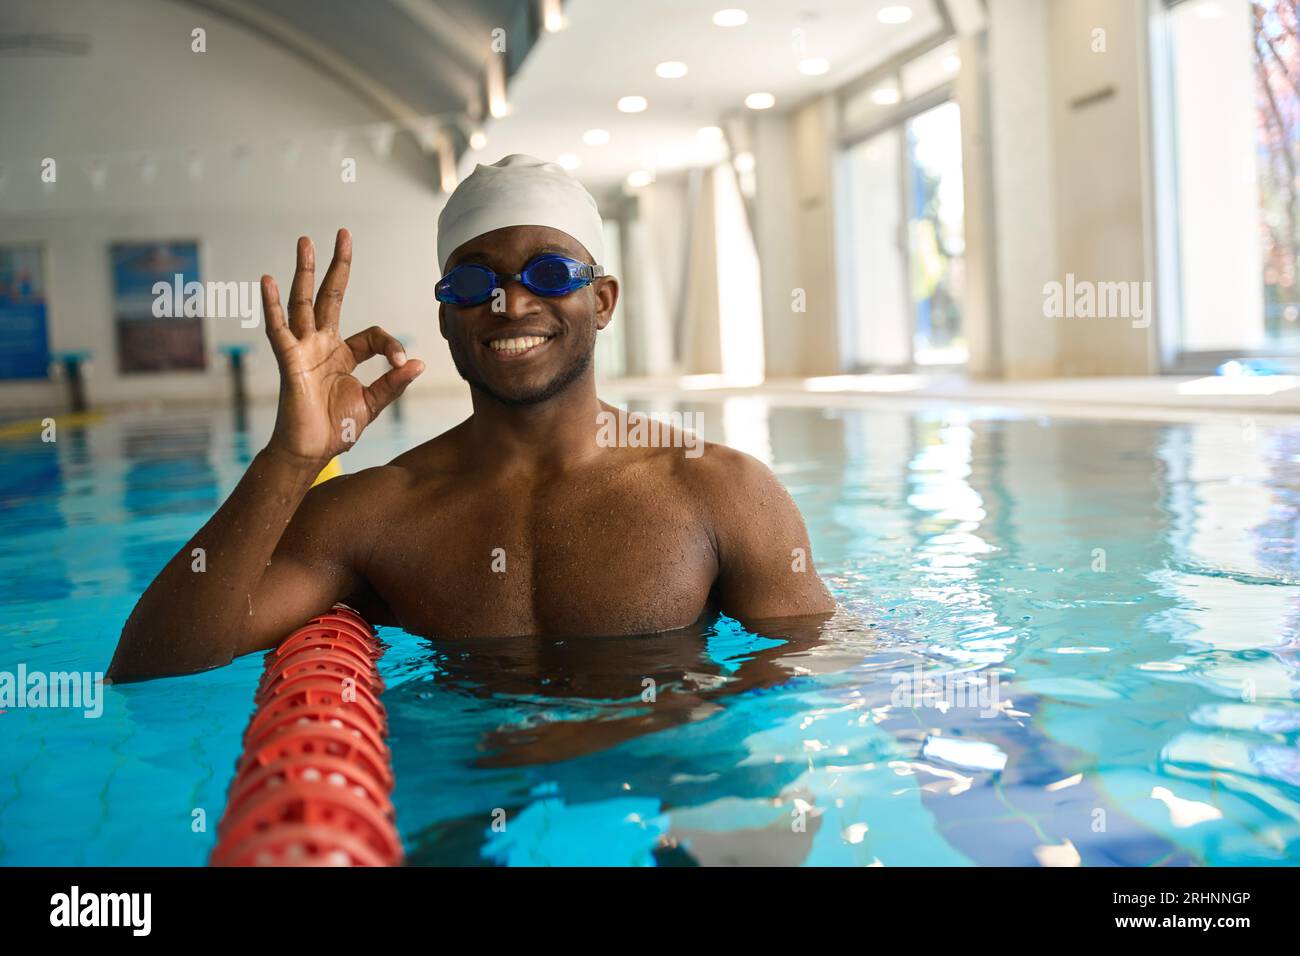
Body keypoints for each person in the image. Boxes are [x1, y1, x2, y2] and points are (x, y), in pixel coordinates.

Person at [107, 154, 834, 682]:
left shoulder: (723, 491)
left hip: (656, 798)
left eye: (550, 273)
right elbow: (159, 662)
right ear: (448, 316)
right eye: (474, 280)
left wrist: (619, 735)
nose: (510, 303)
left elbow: (819, 671)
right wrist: (290, 460)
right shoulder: (373, 511)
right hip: (453, 815)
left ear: (603, 301)